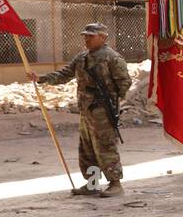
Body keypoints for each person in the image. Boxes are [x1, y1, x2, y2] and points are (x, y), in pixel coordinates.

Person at [31, 22, 131, 198]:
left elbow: (124, 82)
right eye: (85, 36)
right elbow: (64, 74)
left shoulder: (112, 58)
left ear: (103, 37)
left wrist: (112, 101)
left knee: (105, 146)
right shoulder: (82, 58)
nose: (86, 39)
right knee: (87, 148)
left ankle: (115, 183)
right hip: (86, 110)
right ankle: (92, 183)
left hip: (102, 111)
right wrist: (41, 78)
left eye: (91, 36)